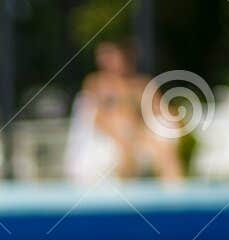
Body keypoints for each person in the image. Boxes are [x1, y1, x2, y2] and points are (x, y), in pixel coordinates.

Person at [79, 40, 184, 182]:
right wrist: (119, 137)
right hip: (114, 133)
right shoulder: (96, 83)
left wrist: (176, 117)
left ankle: (176, 198)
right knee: (126, 153)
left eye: (111, 56)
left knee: (165, 152)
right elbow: (96, 116)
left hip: (140, 132)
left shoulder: (140, 84)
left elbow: (160, 109)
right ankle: (129, 198)